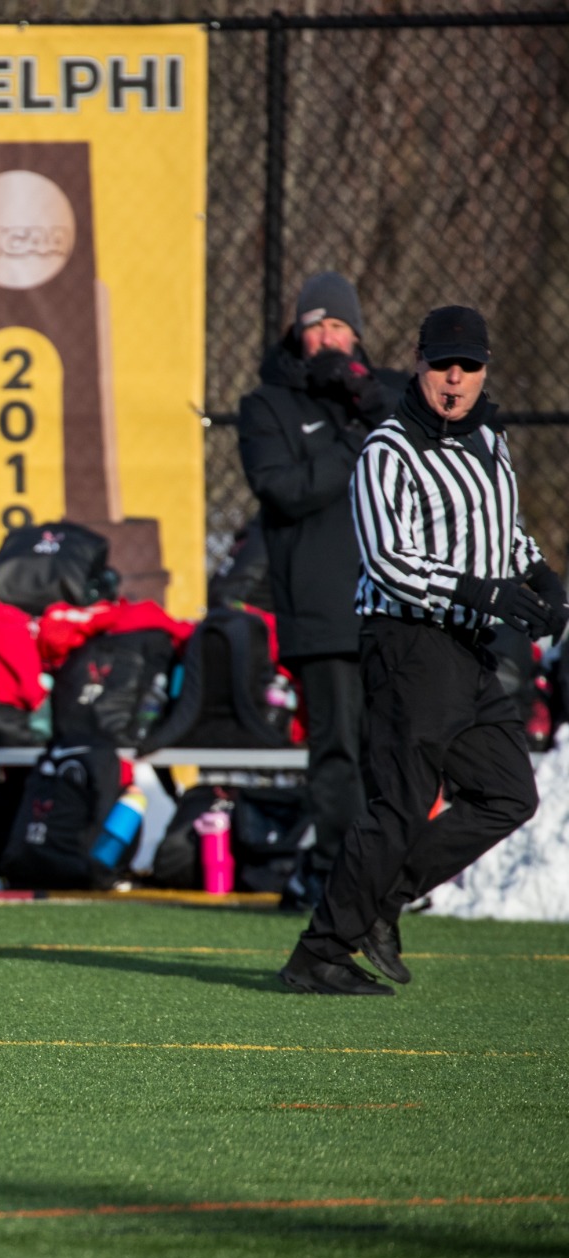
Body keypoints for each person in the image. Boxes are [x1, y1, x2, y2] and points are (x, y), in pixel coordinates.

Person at [281, 306, 564, 995]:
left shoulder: (489, 439)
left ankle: (384, 897)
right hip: (408, 639)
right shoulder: (389, 448)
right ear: (418, 363)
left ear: (485, 368)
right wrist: (482, 592)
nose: (455, 378)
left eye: (468, 366)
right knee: (401, 802)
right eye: (443, 364)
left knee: (508, 791)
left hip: (465, 645)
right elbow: (388, 562)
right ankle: (319, 951)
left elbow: (502, 528)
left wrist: (536, 572)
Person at [237, 272, 405, 910]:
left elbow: (429, 456)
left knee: (393, 748)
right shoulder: (267, 406)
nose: (329, 337)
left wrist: (372, 408)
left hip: (399, 602)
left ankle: (388, 872)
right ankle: (340, 876)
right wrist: (358, 445)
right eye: (316, 326)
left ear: (357, 334)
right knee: (337, 748)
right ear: (297, 334)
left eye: (339, 325)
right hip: (321, 605)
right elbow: (283, 489)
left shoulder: (387, 394)